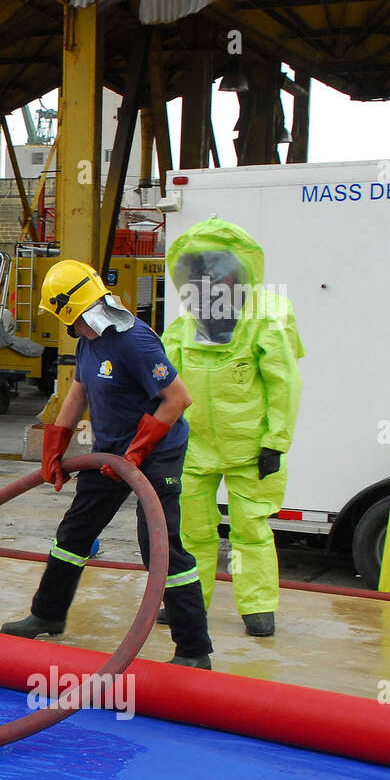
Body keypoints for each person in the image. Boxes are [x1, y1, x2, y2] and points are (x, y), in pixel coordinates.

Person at [0, 259, 215, 668]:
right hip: (110, 453)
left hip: (155, 454)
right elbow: (78, 392)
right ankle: (47, 614)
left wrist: (135, 455)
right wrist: (55, 447)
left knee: (160, 547)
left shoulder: (136, 342)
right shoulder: (88, 341)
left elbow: (178, 400)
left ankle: (193, 649)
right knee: (75, 532)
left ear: (70, 309)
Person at [162, 218, 305, 637]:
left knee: (251, 529)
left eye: (214, 270)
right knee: (190, 530)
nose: (206, 280)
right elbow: (161, 385)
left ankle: (258, 607)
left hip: (250, 448)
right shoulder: (184, 327)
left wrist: (276, 441)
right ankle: (186, 601)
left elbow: (285, 385)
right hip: (194, 447)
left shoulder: (265, 321)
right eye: (197, 271)